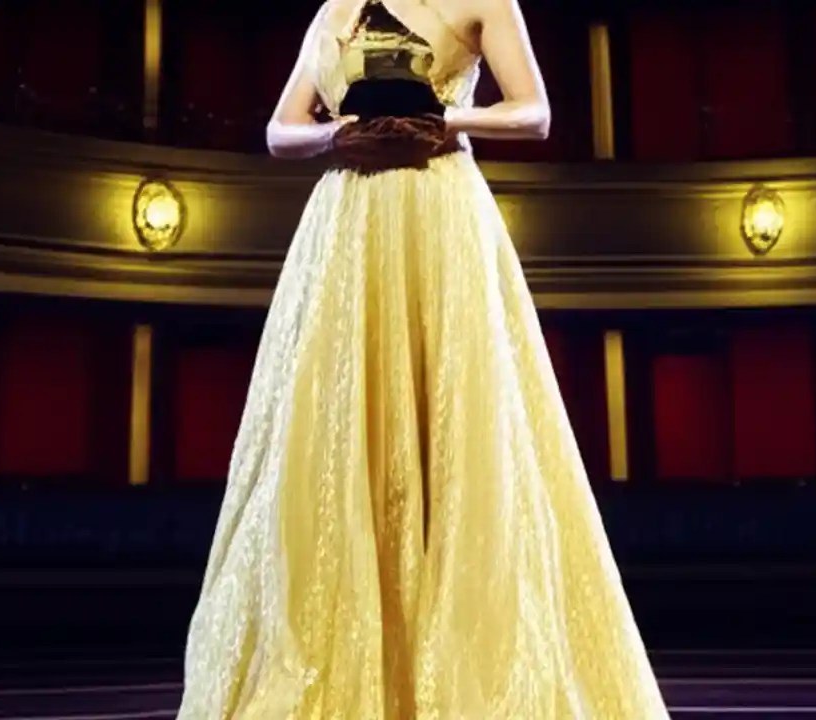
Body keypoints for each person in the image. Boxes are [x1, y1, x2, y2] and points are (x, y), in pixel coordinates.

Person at [176, 0, 670, 717]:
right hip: (348, 220)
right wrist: (334, 136)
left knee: (454, 423)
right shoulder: (332, 9)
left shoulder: (483, 1)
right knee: (337, 429)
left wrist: (446, 122)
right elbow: (281, 129)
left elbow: (533, 113)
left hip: (437, 213)